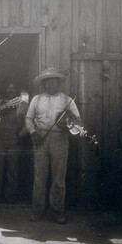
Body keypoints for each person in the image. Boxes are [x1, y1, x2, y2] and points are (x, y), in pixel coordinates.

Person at [25, 67, 83, 224]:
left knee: (58, 178)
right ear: (44, 84)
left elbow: (78, 122)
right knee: (39, 177)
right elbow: (29, 119)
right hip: (40, 138)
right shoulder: (36, 99)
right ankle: (37, 211)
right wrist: (32, 132)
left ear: (59, 83)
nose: (51, 85)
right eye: (48, 82)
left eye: (54, 82)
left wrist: (68, 124)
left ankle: (57, 211)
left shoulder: (68, 100)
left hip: (60, 139)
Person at [0, 82, 30, 204]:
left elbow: (29, 122)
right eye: (8, 87)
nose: (11, 89)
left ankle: (10, 198)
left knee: (12, 171)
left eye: (13, 87)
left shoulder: (24, 105)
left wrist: (20, 135)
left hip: (14, 141)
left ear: (17, 89)